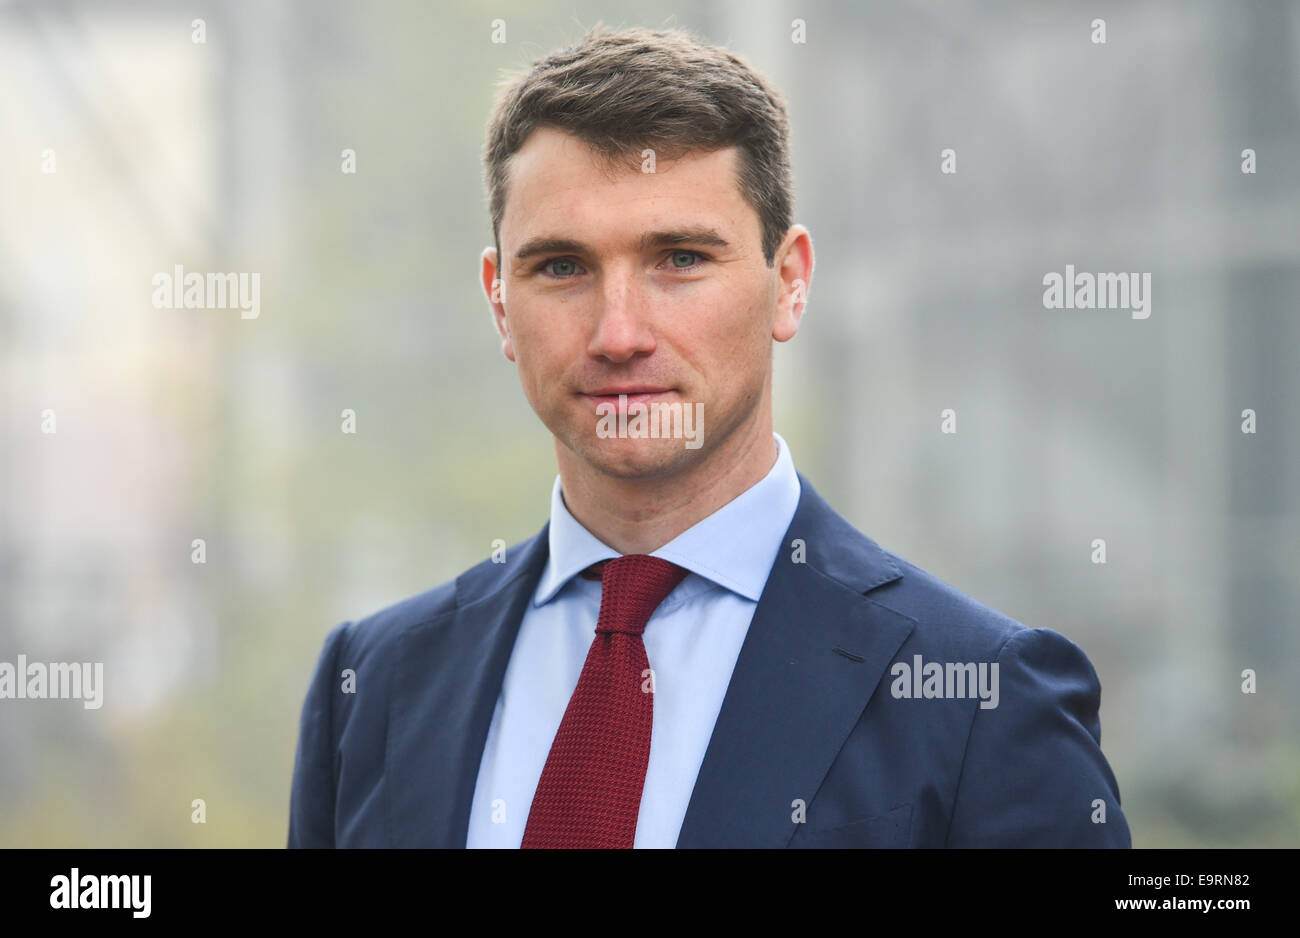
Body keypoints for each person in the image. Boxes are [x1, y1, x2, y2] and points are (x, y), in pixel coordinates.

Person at [287, 24, 1130, 849]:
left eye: (680, 258)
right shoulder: (375, 685)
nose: (619, 334)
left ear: (789, 284)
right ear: (499, 301)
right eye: (562, 267)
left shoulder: (982, 698)